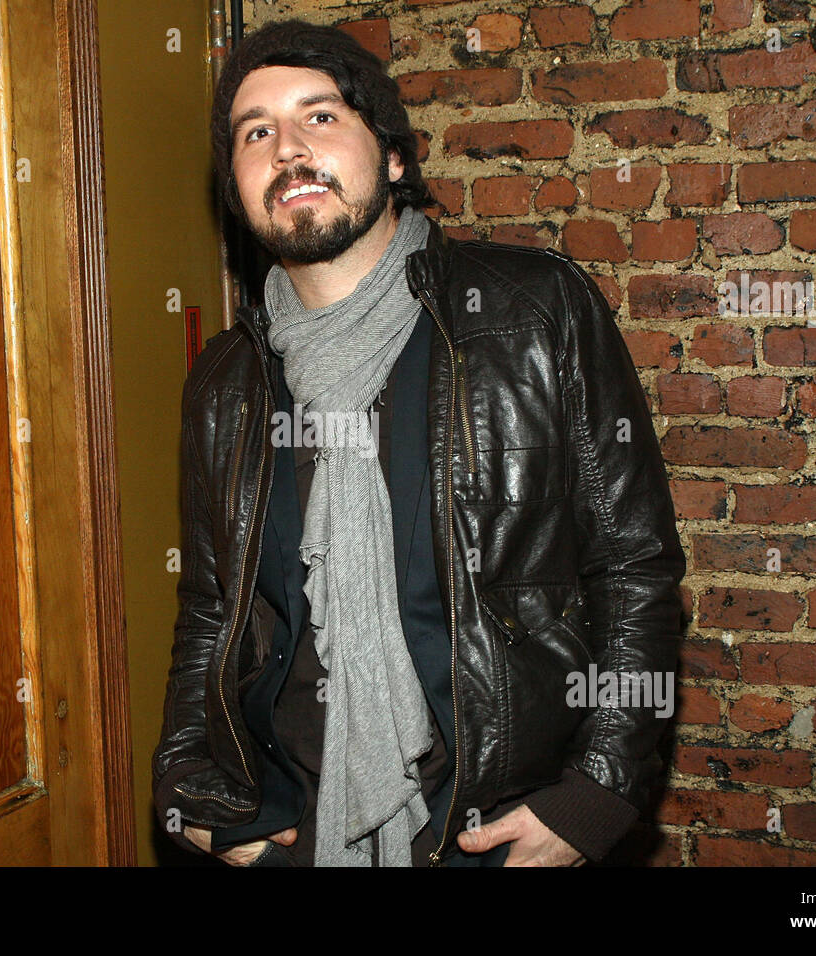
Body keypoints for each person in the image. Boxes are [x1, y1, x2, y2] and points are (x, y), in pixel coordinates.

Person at [153, 18, 686, 867]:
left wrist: (595, 793)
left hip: (496, 829)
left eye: (319, 117)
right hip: (299, 830)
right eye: (257, 133)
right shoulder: (227, 382)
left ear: (393, 159)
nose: (287, 148)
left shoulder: (532, 313)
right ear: (239, 185)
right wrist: (191, 785)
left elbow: (633, 566)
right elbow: (212, 611)